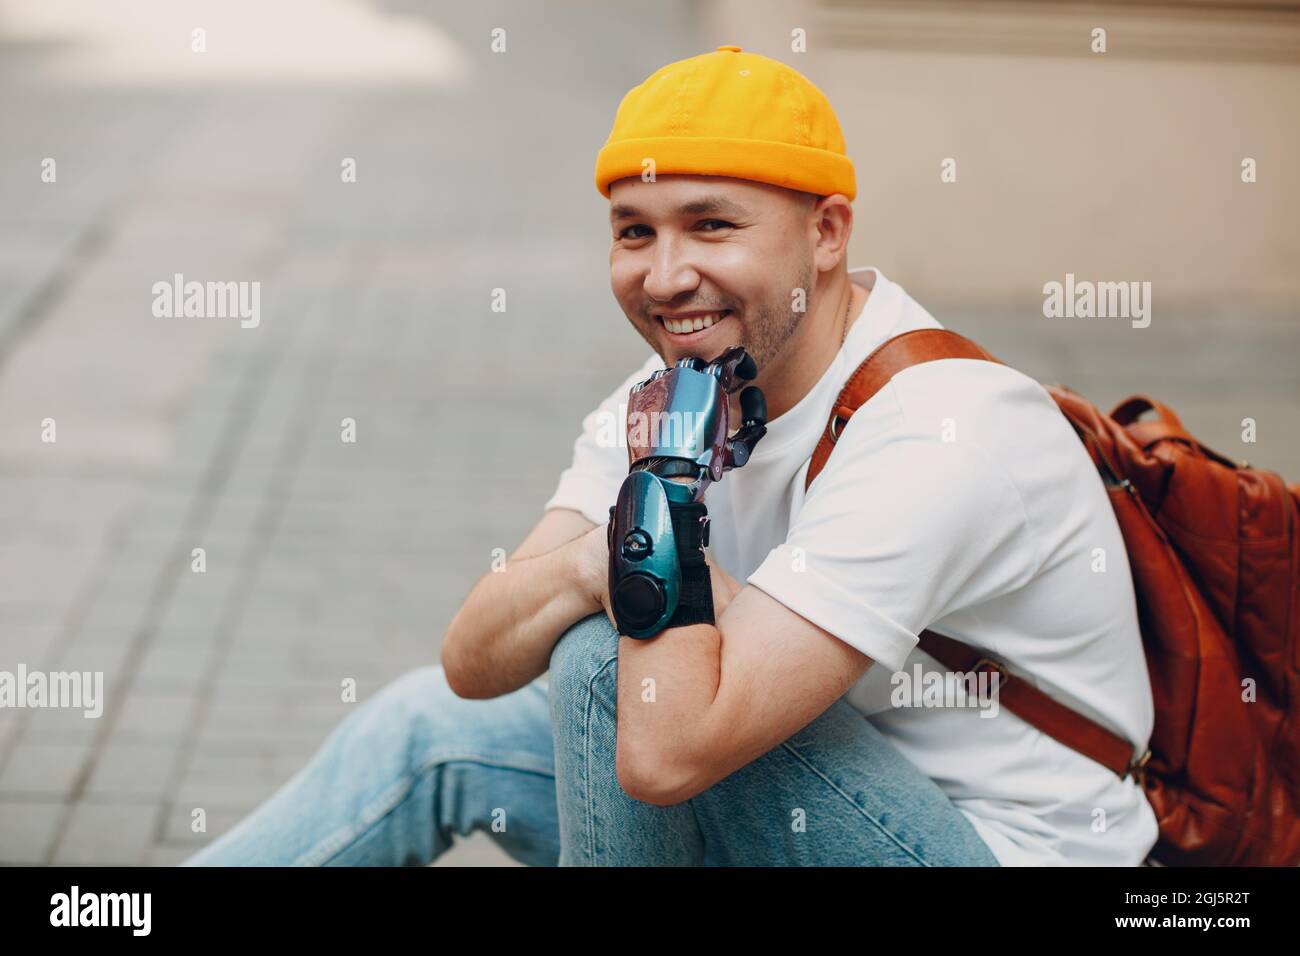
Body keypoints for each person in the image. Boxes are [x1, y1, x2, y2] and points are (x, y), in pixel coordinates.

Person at [183, 45, 1157, 867]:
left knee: (610, 661)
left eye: (711, 225)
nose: (663, 276)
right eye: (633, 233)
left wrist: (655, 505)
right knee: (427, 729)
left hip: (997, 846)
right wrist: (583, 561)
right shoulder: (678, 391)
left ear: (824, 232)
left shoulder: (939, 428)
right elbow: (471, 660)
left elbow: (664, 751)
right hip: (803, 780)